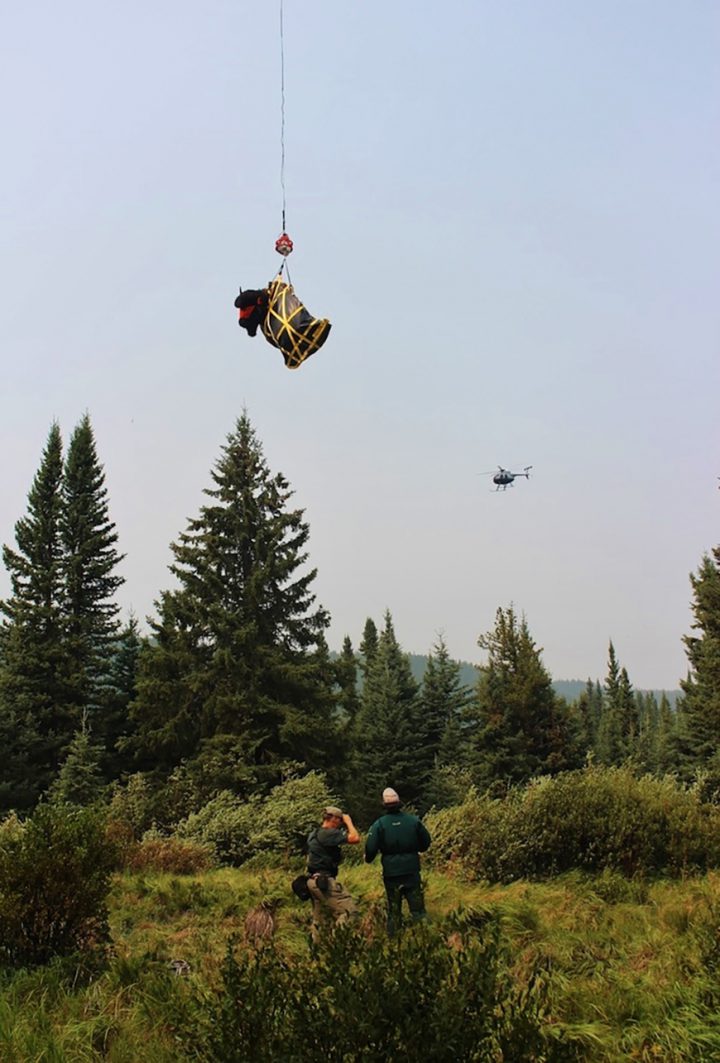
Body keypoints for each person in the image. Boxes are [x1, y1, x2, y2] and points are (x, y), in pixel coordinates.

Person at [364, 787, 431, 935]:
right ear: (399, 802)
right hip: (412, 870)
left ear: (384, 804)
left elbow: (370, 848)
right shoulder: (414, 821)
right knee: (418, 909)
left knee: (394, 910)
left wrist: (369, 859)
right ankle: (426, 938)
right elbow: (426, 842)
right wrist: (415, 849)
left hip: (391, 873)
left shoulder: (379, 824)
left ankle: (394, 942)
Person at [306, 805, 360, 938]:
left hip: (312, 881)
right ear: (334, 819)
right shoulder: (329, 833)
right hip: (325, 881)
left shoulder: (313, 834)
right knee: (349, 912)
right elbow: (355, 838)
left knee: (320, 919)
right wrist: (349, 822)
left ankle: (316, 950)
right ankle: (337, 944)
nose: (341, 823)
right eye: (340, 820)